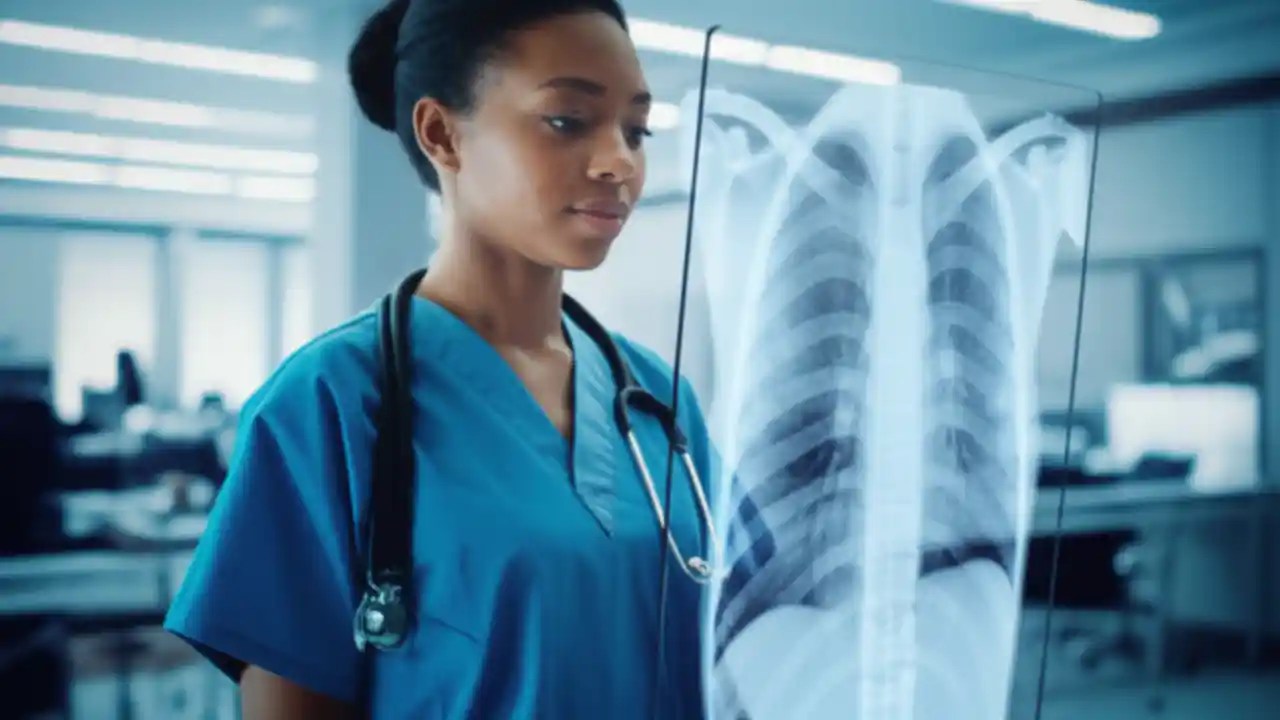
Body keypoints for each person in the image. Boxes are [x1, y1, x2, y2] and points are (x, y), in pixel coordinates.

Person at [163, 0, 716, 717]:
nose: (620, 161)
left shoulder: (659, 399)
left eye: (636, 130)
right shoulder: (330, 402)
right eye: (568, 120)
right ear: (441, 134)